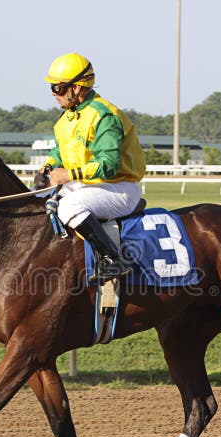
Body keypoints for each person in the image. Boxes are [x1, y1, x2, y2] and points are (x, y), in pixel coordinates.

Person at [34, 52, 146, 283]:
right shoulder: (65, 120)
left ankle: (112, 259)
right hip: (86, 186)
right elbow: (59, 153)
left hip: (119, 187)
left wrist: (69, 175)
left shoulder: (104, 115)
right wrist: (46, 168)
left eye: (59, 88)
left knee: (68, 207)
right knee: (39, 199)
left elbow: (108, 166)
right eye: (52, 88)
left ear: (77, 88)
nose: (54, 94)